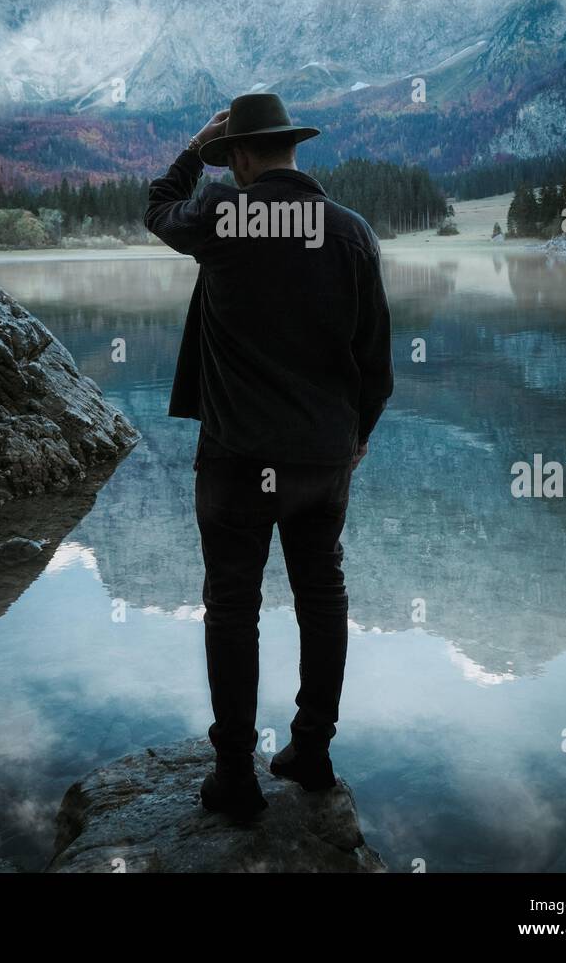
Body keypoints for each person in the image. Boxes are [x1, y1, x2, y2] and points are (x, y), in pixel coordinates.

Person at [144, 92, 394, 819]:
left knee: (232, 607)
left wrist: (193, 149)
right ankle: (311, 752)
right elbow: (374, 362)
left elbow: (157, 208)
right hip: (323, 459)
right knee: (322, 595)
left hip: (237, 458)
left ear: (241, 157)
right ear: (291, 148)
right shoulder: (351, 231)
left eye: (228, 159)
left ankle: (236, 776)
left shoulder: (223, 214)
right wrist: (357, 437)